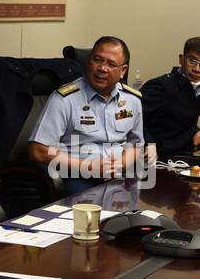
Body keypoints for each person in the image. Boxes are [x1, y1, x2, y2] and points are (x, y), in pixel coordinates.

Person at [29, 36, 145, 196]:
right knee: (92, 213)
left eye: (111, 64)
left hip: (120, 174)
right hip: (78, 176)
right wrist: (88, 166)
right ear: (88, 62)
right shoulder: (65, 99)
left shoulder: (132, 100)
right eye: (97, 60)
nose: (102, 68)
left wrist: (122, 163)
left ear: (123, 71)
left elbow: (136, 144)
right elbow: (38, 150)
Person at [141, 37, 200, 159]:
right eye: (192, 60)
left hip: (180, 154)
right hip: (155, 157)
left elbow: (179, 117)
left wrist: (195, 130)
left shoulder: (197, 86)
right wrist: (148, 143)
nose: (197, 69)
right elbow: (133, 115)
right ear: (181, 59)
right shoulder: (162, 85)